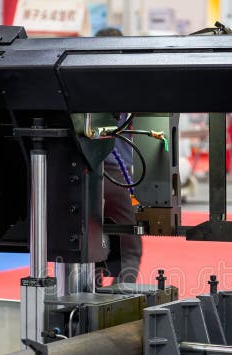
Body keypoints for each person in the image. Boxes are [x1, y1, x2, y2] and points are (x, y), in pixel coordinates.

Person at [95, 27, 142, 285]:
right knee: (129, 247)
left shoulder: (80, 80)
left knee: (88, 243)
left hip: (83, 173)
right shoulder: (129, 81)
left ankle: (85, 296)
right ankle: (123, 296)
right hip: (116, 173)